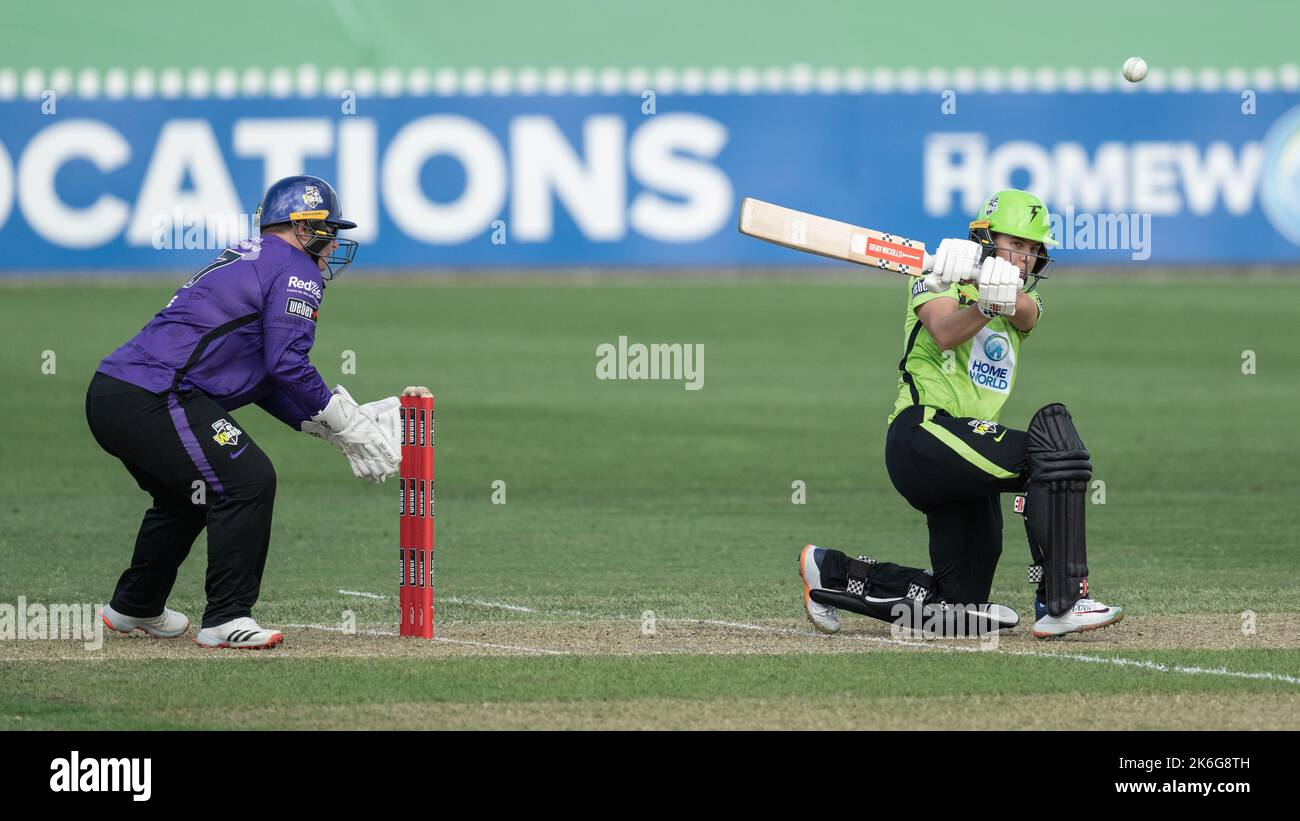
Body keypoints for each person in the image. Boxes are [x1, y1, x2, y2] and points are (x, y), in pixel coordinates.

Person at [86, 175, 401, 649]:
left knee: (189, 494)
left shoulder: (253, 255)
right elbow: (287, 363)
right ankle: (226, 617)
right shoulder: (296, 267)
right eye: (328, 229)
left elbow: (264, 379)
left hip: (117, 394)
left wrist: (328, 428)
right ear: (302, 226)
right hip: (156, 394)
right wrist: (347, 421)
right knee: (248, 480)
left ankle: (135, 605)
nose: (334, 241)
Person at [799, 189, 1124, 639]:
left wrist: (994, 290)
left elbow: (1024, 310)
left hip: (964, 459)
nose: (1025, 258)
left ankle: (829, 571)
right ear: (986, 238)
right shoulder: (933, 280)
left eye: (1033, 251)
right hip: (923, 434)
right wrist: (980, 299)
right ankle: (1062, 601)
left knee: (957, 605)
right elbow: (945, 331)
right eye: (1016, 244)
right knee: (1053, 450)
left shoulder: (1024, 307)